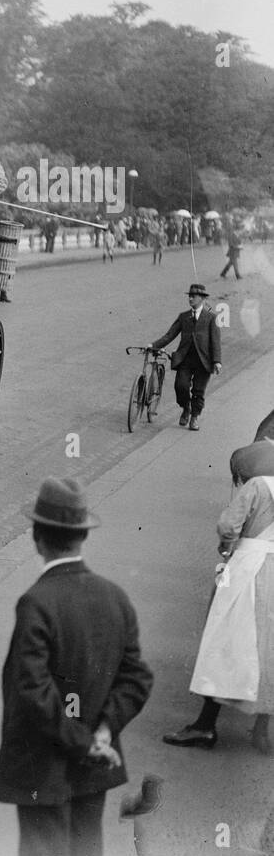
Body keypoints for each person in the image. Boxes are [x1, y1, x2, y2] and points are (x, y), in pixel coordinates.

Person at [0, 477, 154, 856]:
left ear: (37, 537)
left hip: (42, 767)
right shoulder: (114, 596)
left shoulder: (37, 602)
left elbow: (32, 691)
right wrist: (101, 734)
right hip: (94, 767)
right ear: (82, 536)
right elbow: (137, 677)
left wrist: (82, 741)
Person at [162, 442, 274, 756]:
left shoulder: (255, 486)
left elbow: (228, 526)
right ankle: (262, 730)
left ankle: (204, 725)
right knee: (267, 648)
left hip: (246, 568)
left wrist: (227, 546)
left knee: (222, 640)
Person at [149, 283, 221, 430]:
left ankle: (194, 417)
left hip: (204, 362)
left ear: (201, 299)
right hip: (185, 359)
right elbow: (170, 335)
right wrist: (153, 345)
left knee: (198, 392)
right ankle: (186, 408)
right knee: (180, 386)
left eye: (193, 296)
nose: (190, 299)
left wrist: (217, 361)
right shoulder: (184, 317)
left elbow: (216, 342)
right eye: (189, 296)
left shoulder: (211, 318)